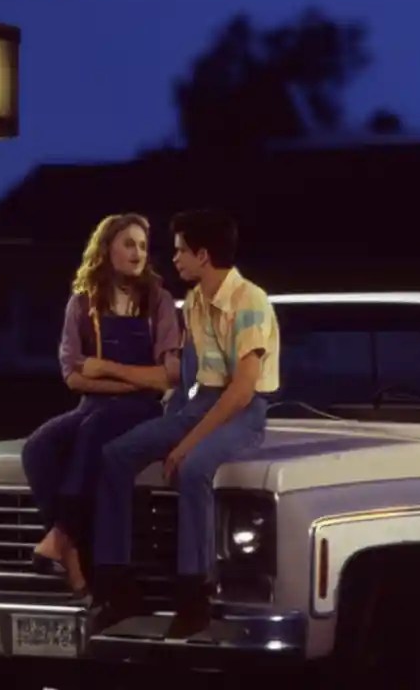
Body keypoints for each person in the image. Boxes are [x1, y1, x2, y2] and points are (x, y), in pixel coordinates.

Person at [82, 208, 280, 639]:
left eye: (180, 251)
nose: (173, 259)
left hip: (242, 411)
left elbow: (243, 389)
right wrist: (170, 426)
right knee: (116, 456)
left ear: (203, 255)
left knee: (192, 469)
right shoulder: (192, 302)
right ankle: (117, 586)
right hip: (199, 404)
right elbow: (191, 376)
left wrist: (187, 442)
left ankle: (194, 594)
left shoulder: (250, 300)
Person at [20, 213, 181, 599]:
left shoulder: (158, 301)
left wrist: (106, 368)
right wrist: (133, 375)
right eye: (129, 243)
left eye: (143, 245)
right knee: (38, 447)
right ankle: (70, 555)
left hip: (141, 409)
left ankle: (61, 541)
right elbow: (73, 376)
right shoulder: (82, 302)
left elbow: (167, 377)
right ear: (107, 248)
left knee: (95, 429)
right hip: (90, 406)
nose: (137, 252)